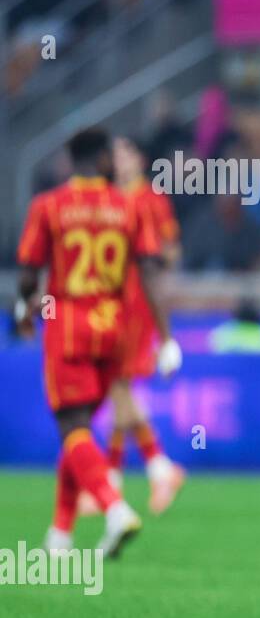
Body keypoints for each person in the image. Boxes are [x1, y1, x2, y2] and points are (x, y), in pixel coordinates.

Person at [14, 127, 182, 556]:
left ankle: (113, 506)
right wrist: (165, 338)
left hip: (67, 327)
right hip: (113, 330)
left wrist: (23, 309)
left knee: (73, 430)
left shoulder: (49, 206)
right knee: (81, 433)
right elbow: (149, 271)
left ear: (71, 161)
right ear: (104, 159)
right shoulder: (128, 208)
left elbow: (30, 272)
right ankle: (60, 533)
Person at [75, 136, 186, 516]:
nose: (119, 161)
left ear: (139, 159)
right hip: (107, 305)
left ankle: (124, 477)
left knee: (119, 384)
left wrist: (151, 266)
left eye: (126, 153)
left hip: (137, 307)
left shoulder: (151, 200)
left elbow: (170, 252)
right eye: (114, 155)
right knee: (118, 389)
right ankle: (143, 472)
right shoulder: (106, 200)